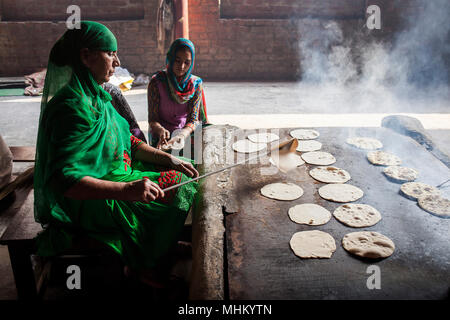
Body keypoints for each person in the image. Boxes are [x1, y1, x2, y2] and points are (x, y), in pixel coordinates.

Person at [34, 21, 199, 287]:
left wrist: (170, 158)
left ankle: (159, 245)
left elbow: (130, 144)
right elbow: (63, 181)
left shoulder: (99, 97)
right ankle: (144, 264)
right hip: (91, 196)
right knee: (174, 191)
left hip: (118, 175)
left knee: (186, 171)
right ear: (86, 56)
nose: (117, 60)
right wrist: (126, 191)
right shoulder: (70, 109)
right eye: (111, 53)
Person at [147, 38, 209, 150]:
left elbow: (193, 119)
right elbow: (152, 119)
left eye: (187, 62)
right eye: (177, 60)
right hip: (162, 135)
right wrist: (160, 130)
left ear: (192, 63)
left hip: (186, 132)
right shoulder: (157, 82)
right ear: (170, 58)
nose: (181, 67)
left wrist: (182, 135)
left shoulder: (195, 84)